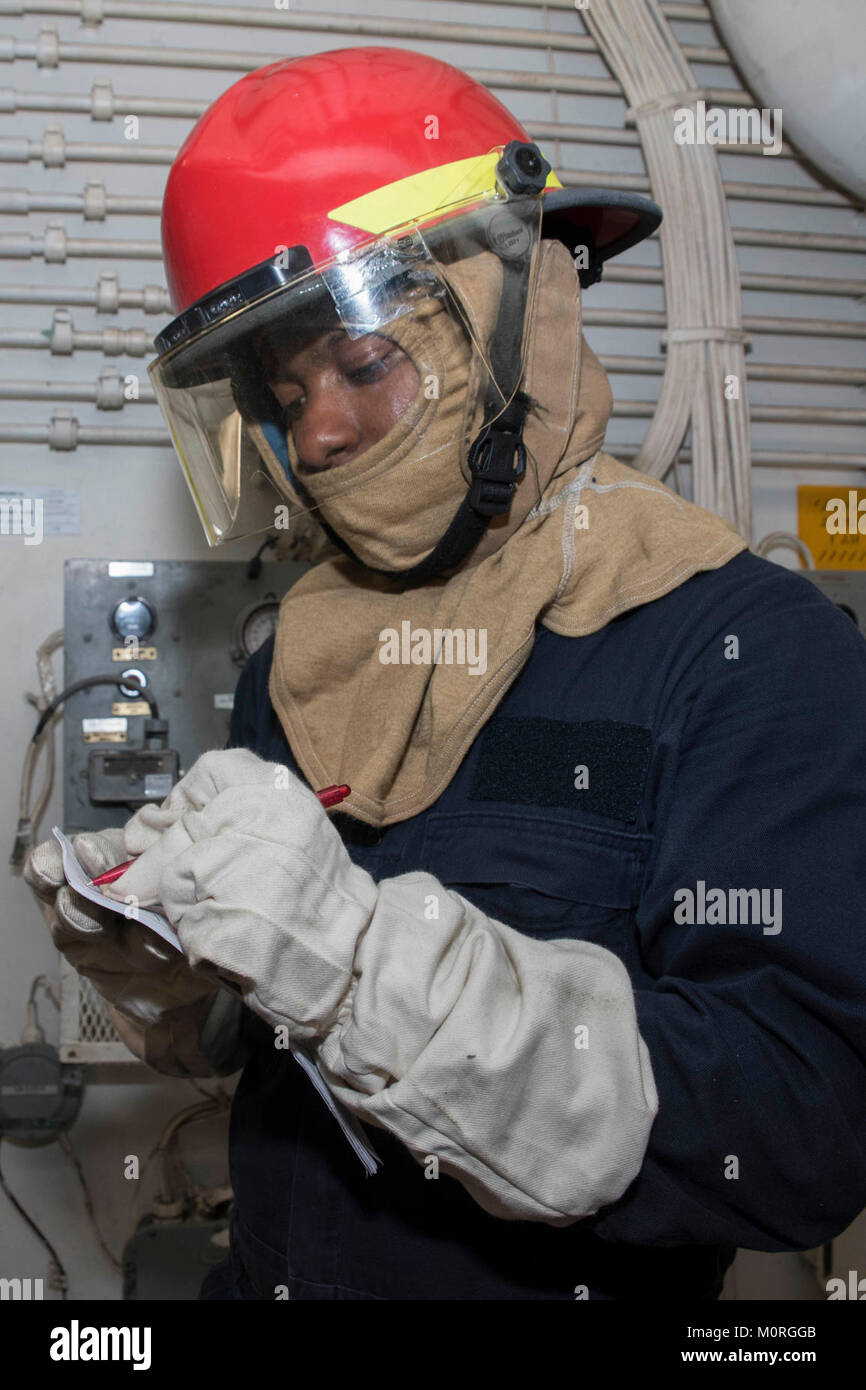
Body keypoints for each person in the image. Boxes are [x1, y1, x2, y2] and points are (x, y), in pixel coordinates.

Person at [24, 47, 866, 1302]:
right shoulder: (301, 657)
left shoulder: (736, 649)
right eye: (283, 387)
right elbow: (279, 1043)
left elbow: (798, 1130)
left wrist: (368, 971)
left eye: (363, 361)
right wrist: (175, 960)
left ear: (515, 313)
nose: (317, 431)